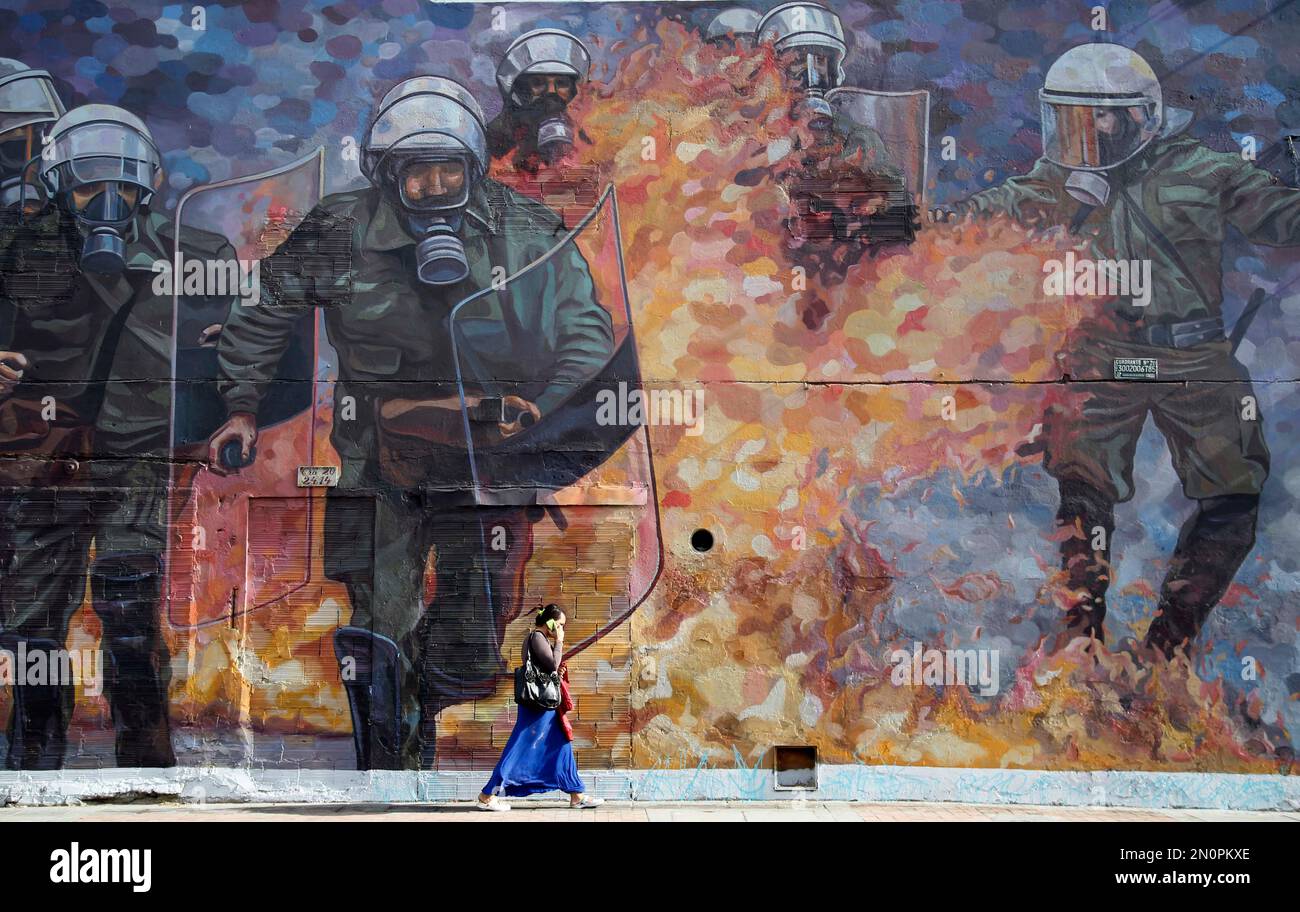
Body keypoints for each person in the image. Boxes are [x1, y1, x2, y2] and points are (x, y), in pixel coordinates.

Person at [207, 75, 614, 770]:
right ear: (386, 174)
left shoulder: (525, 233)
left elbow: (587, 332)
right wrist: (242, 407)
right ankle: (387, 770)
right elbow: (266, 308)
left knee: (472, 647)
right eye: (414, 172)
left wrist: (548, 413)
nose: (431, 185)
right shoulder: (340, 229)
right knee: (377, 630)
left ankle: (419, 704)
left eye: (447, 170)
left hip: (489, 463)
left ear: (472, 170)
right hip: (377, 461)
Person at [945, 43, 1300, 657]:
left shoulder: (1206, 170)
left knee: (1234, 497)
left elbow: (1282, 219)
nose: (1089, 132)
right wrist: (912, 224)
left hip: (1192, 354)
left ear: (1142, 115)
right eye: (1075, 118)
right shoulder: (1056, 182)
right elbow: (980, 216)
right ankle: (1082, 636)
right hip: (1100, 354)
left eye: (1102, 117)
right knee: (1084, 494)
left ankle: (1168, 645)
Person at [0, 104, 236, 768]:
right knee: (29, 628)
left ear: (146, 186)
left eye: (125, 185)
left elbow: (257, 347)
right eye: (89, 186)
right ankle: (32, 759)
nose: (109, 201)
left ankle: (144, 752)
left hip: (137, 455)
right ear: (57, 185)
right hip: (42, 457)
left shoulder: (197, 253)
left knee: (130, 607)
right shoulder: (14, 248)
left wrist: (234, 374)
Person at [477, 604, 604, 811]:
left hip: (544, 705)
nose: (562, 629)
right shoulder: (537, 637)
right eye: (560, 624)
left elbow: (548, 669)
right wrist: (560, 641)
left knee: (561, 743)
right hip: (537, 706)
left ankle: (576, 794)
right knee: (519, 747)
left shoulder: (540, 638)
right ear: (550, 622)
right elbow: (552, 664)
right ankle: (486, 795)